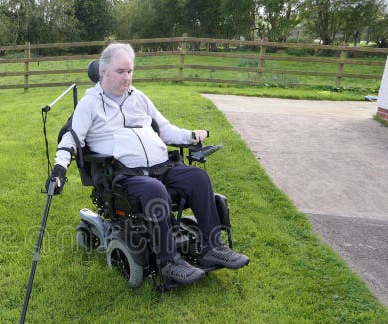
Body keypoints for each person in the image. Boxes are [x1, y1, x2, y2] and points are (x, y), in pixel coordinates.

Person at [48, 42, 249, 285]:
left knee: (198, 178)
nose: (127, 78)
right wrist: (59, 169)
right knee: (156, 190)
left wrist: (190, 136)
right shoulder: (90, 104)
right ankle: (169, 262)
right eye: (120, 72)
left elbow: (164, 129)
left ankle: (213, 248)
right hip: (124, 175)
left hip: (160, 167)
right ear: (103, 72)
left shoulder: (139, 98)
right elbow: (71, 137)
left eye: (130, 71)